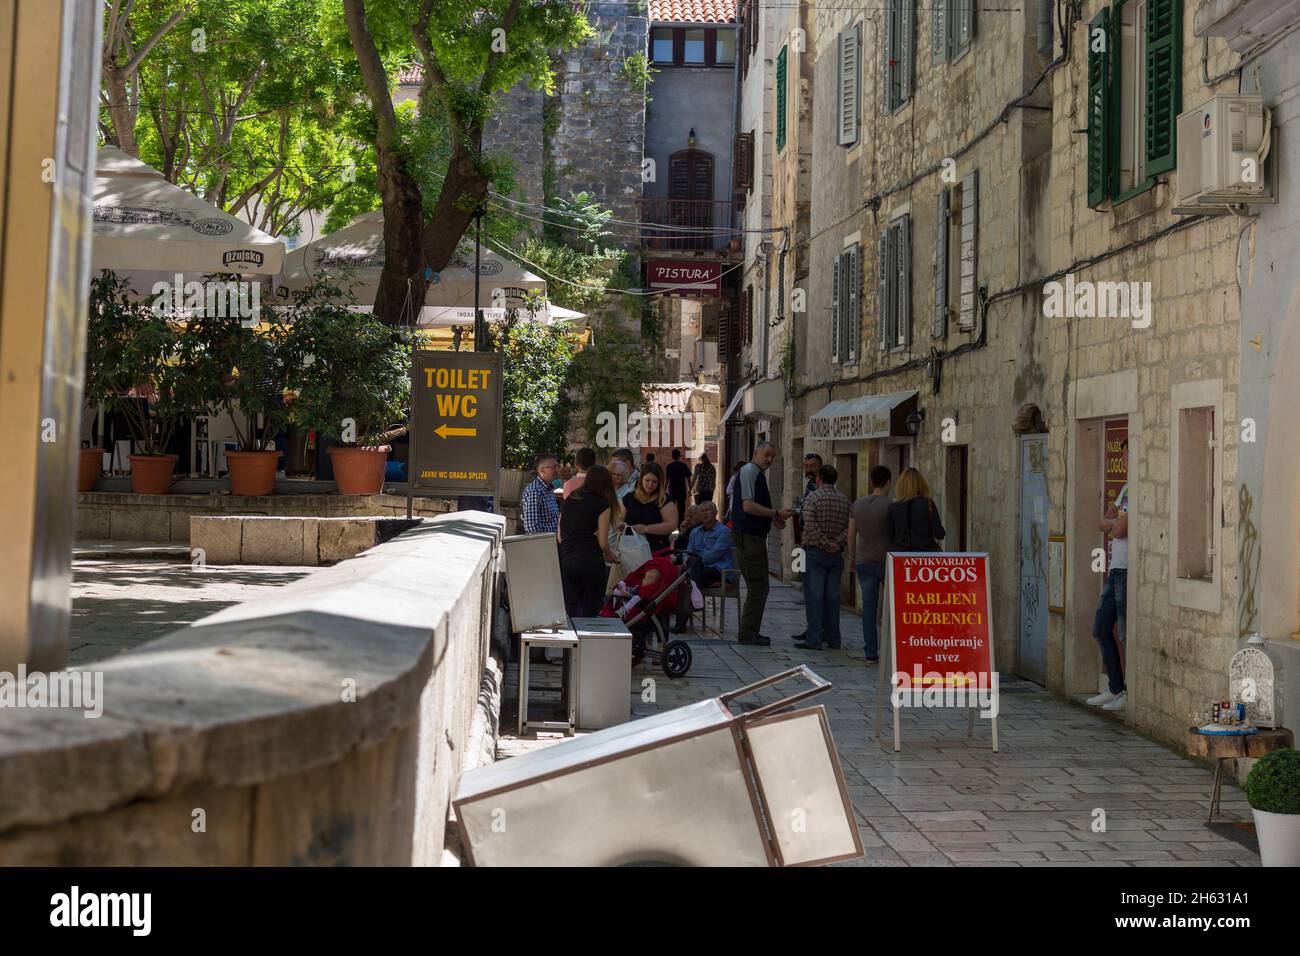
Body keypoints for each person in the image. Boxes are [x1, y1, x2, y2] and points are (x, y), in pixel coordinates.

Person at [732, 442, 792, 646]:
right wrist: (775, 512)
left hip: (755, 536)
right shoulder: (750, 471)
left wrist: (773, 517)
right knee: (757, 586)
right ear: (755, 453)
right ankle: (748, 632)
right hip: (749, 537)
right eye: (767, 454)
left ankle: (750, 631)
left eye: (773, 456)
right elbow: (748, 506)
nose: (770, 459)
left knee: (760, 586)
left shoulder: (756, 473)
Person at [792, 465, 851, 651]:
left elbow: (809, 525)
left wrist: (825, 543)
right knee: (832, 598)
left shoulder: (813, 498)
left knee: (815, 597)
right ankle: (834, 639)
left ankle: (814, 638)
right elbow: (848, 527)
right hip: (836, 555)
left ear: (819, 479)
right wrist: (836, 543)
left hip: (816, 553)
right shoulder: (845, 500)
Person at [1089, 473, 1129, 712]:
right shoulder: (1125, 488)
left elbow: (1120, 529)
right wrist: (1114, 523)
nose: (1125, 458)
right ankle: (1115, 688)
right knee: (1100, 628)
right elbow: (1101, 523)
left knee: (1125, 634)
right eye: (1124, 455)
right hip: (1115, 569)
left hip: (1127, 569)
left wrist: (1113, 523)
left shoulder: (1135, 490)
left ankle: (1129, 693)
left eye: (1127, 455)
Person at [558, 464, 619, 618]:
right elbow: (603, 542)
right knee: (590, 611)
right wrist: (609, 554)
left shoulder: (570, 498)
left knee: (571, 609)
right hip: (590, 561)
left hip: (567, 559)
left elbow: (560, 536)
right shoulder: (602, 504)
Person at [847, 465, 892, 663]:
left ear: (872, 481)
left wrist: (852, 558)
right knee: (891, 608)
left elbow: (851, 534)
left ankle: (871, 652)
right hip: (886, 561)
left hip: (864, 560)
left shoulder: (858, 504)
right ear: (888, 482)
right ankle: (891, 650)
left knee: (869, 608)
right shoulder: (891, 505)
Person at [673, 500, 734, 631]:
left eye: (708, 510)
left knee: (688, 576)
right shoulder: (695, 532)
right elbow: (689, 552)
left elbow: (714, 555)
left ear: (715, 512)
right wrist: (689, 560)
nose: (705, 513)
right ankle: (682, 620)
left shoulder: (724, 532)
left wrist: (694, 560)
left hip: (717, 570)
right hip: (698, 570)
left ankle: (680, 623)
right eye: (702, 511)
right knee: (687, 576)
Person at [621, 461, 679, 555]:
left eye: (654, 482)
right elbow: (619, 518)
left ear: (659, 483)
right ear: (641, 479)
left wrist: (646, 529)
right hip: (631, 551)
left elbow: (672, 525)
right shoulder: (629, 498)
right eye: (647, 480)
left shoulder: (664, 500)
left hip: (657, 551)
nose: (650, 485)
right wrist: (620, 525)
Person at [888, 467, 945, 552]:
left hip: (901, 556)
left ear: (901, 485)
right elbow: (940, 534)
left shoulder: (894, 506)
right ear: (920, 484)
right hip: (925, 555)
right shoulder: (928, 503)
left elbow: (890, 536)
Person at [521, 454, 561, 535]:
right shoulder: (535, 491)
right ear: (542, 470)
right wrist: (551, 537)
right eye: (554, 467)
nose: (557, 470)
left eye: (557, 466)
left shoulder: (549, 488)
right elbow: (532, 528)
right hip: (544, 541)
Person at [666, 449, 692, 527]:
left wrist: (664, 489)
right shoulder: (683, 465)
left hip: (672, 490)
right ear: (679, 456)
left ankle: (672, 525)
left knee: (672, 509)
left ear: (672, 456)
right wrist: (690, 489)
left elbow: (667, 480)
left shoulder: (669, 466)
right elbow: (688, 478)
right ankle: (680, 526)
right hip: (681, 490)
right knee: (681, 509)